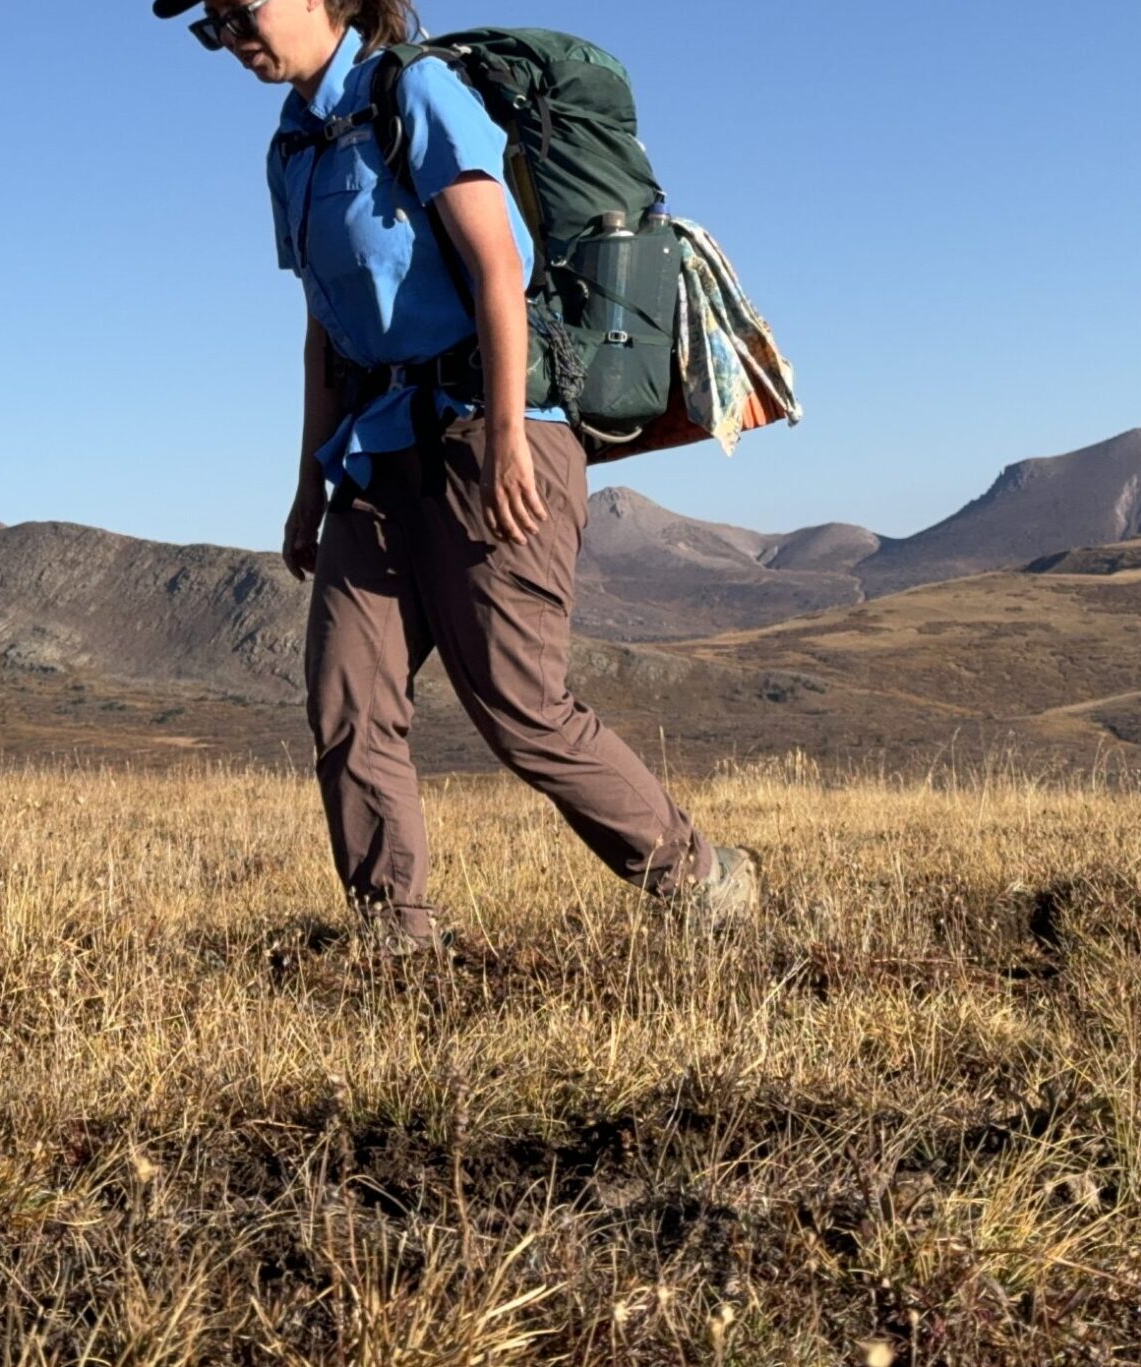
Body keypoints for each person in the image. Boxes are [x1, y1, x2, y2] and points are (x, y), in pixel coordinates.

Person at [156, 0, 760, 953]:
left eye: (242, 11)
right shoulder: (293, 146)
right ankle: (394, 936)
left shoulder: (416, 90)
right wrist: (308, 487)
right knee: (348, 695)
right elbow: (325, 330)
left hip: (492, 433)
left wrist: (513, 436)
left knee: (519, 704)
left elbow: (497, 267)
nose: (232, 37)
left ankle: (702, 879)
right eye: (212, 26)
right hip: (375, 444)